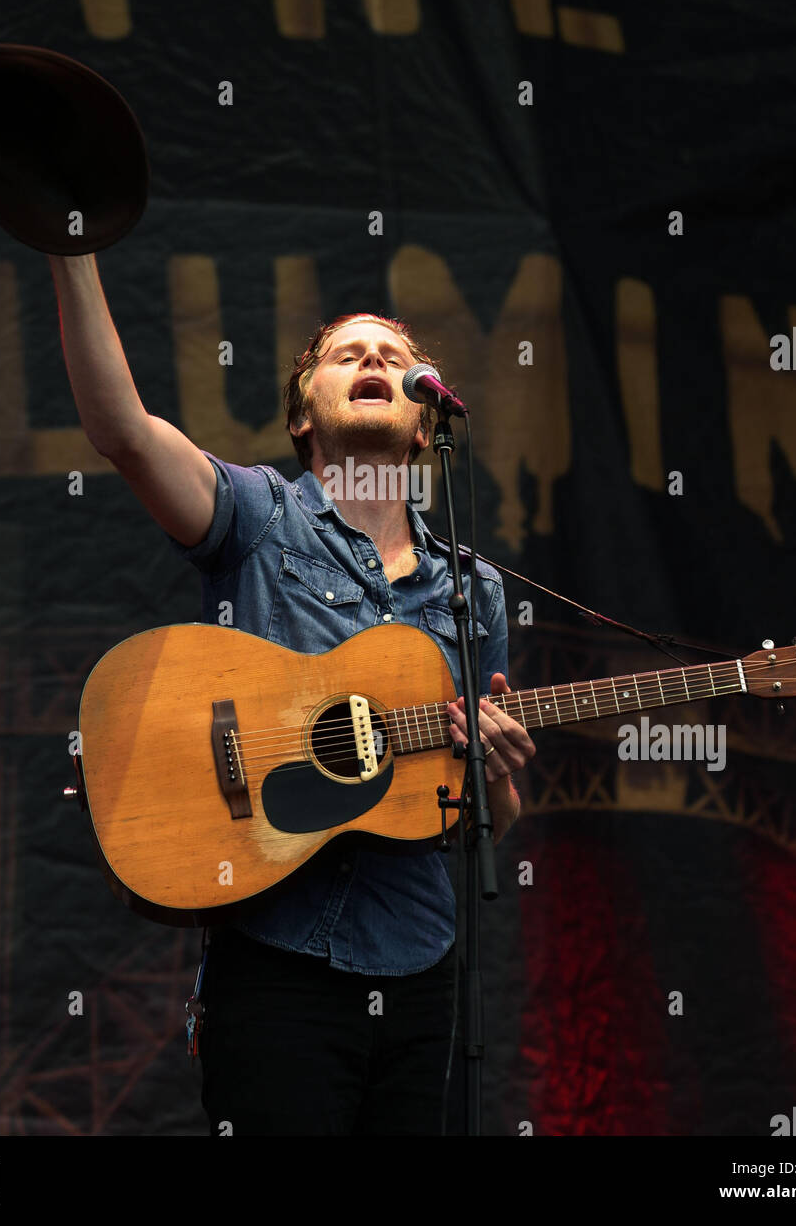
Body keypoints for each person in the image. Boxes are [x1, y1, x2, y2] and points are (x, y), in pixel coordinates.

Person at [49, 252, 536, 1134]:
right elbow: (120, 430)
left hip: (420, 967)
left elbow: (481, 819)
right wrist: (69, 249)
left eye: (393, 356)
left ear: (427, 424)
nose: (375, 363)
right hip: (276, 964)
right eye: (347, 355)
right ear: (303, 414)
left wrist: (496, 776)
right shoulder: (257, 516)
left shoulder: (475, 593)